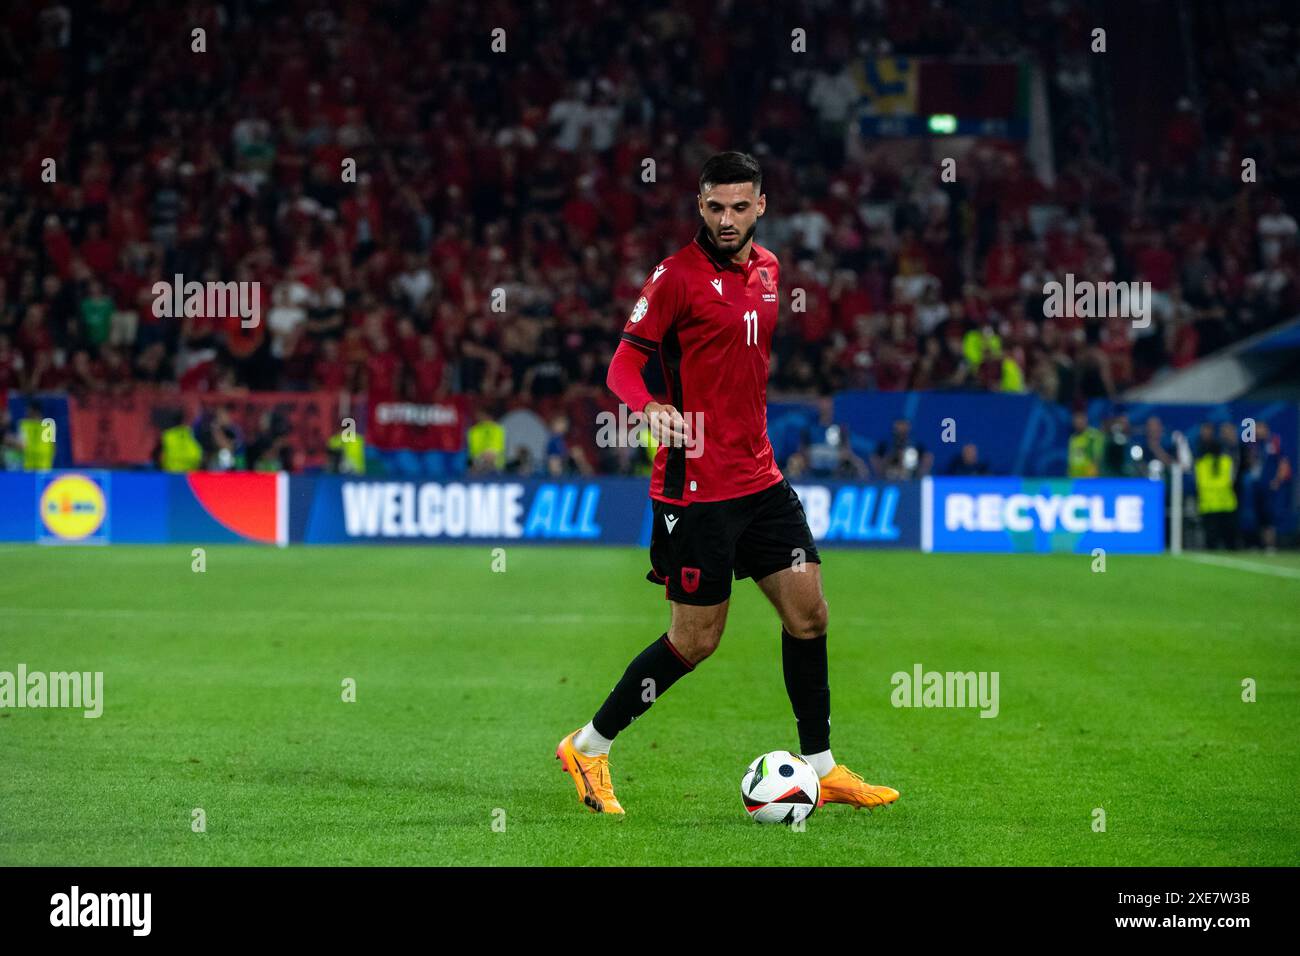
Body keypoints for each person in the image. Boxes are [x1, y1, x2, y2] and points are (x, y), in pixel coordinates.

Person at [557, 152, 897, 815]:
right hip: (696, 489)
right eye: (715, 207)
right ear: (700, 206)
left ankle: (822, 767)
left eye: (740, 207)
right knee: (695, 640)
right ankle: (590, 746)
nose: (727, 219)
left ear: (761, 206)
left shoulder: (770, 272)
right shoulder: (675, 278)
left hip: (760, 479)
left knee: (809, 612)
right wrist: (651, 407)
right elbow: (623, 365)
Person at [1195, 436, 1238, 550]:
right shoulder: (1227, 461)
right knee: (1229, 540)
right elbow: (1231, 481)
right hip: (1226, 503)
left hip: (1208, 505)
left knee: (1211, 541)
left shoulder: (1201, 463)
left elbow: (1200, 483)